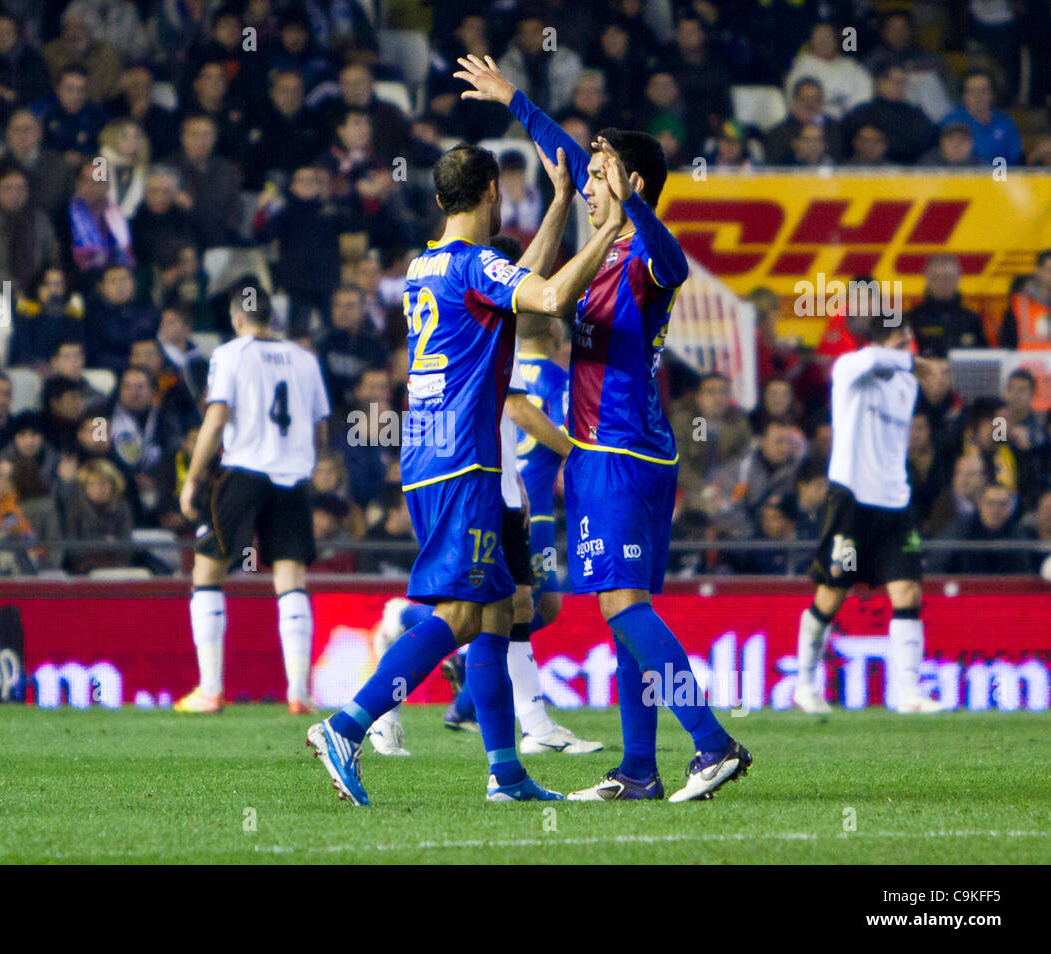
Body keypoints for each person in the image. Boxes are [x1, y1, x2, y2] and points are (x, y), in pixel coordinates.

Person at [460, 52, 752, 803]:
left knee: (622, 609)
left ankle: (712, 744)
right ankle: (637, 770)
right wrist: (514, 100)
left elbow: (678, 265)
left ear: (634, 187)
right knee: (631, 617)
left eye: (601, 176)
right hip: (637, 455)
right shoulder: (607, 247)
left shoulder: (642, 255)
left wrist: (636, 206)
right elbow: (564, 153)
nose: (585, 183)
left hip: (612, 453)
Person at [307, 135, 625, 807]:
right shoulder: (476, 265)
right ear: (491, 192)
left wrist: (564, 201)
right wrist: (608, 232)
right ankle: (346, 725)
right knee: (457, 615)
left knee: (498, 609)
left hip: (430, 451)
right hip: (463, 457)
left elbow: (521, 285)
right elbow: (548, 296)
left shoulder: (428, 267)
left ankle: (506, 774)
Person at [176, 287, 330, 715]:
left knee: (208, 570)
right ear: (272, 315)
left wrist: (192, 479)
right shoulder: (305, 359)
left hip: (244, 472)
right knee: (290, 579)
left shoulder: (230, 354)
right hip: (293, 478)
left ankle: (210, 690)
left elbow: (217, 416)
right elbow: (321, 431)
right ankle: (299, 692)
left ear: (236, 316)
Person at [792, 320, 948, 715]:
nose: (910, 348)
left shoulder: (907, 385)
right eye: (903, 341)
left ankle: (908, 692)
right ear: (883, 342)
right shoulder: (850, 370)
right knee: (832, 594)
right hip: (851, 501)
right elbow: (875, 359)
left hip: (895, 504)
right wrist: (910, 361)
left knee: (908, 592)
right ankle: (805, 683)